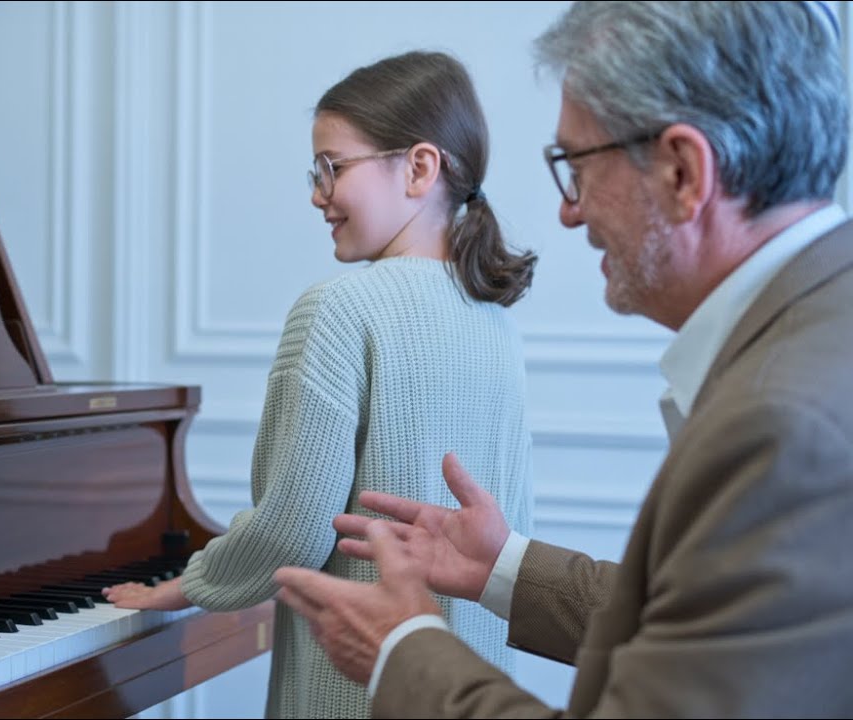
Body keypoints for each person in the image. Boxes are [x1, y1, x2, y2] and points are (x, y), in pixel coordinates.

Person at [273, 2, 853, 717]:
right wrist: (503, 567)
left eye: (575, 166)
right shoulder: (821, 333)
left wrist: (403, 651)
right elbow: (707, 620)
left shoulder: (786, 425)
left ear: (681, 171)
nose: (568, 213)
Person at [102, 50, 537, 718]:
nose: (316, 193)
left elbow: (294, 529)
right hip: (468, 685)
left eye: (333, 168)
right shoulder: (494, 320)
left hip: (361, 688)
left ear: (420, 167)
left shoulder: (338, 309)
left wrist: (179, 588)